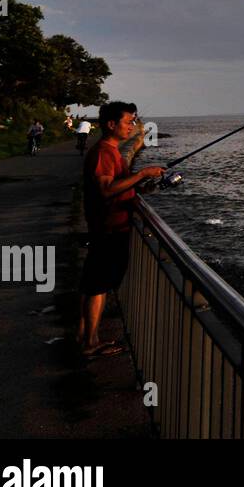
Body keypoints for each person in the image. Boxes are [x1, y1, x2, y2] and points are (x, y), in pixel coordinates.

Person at [76, 101, 164, 359]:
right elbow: (105, 190)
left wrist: (142, 187)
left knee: (95, 283)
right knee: (97, 285)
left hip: (110, 227)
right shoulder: (104, 152)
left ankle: (83, 336)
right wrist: (141, 174)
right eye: (129, 122)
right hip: (108, 229)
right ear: (111, 124)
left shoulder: (111, 151)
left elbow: (117, 187)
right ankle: (90, 343)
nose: (134, 127)